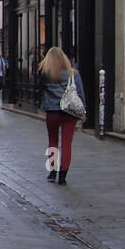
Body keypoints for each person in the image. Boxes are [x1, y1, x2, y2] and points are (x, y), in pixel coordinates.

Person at [36, 46, 86, 185]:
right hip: (70, 112)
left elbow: (39, 89)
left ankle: (52, 171)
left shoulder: (45, 73)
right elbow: (80, 93)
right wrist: (84, 111)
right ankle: (63, 176)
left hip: (52, 111)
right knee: (67, 144)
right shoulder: (73, 73)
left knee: (52, 141)